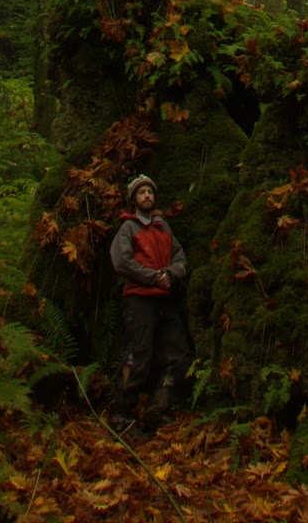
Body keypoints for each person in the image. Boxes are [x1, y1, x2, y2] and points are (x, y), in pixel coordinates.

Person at [109, 173, 190, 432]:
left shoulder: (163, 227)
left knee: (179, 357)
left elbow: (180, 258)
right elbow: (121, 261)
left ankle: (157, 409)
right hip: (138, 300)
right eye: (142, 192)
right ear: (134, 199)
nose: (147, 196)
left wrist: (170, 275)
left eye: (150, 192)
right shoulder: (128, 228)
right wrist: (153, 278)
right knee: (137, 356)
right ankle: (122, 414)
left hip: (165, 301)